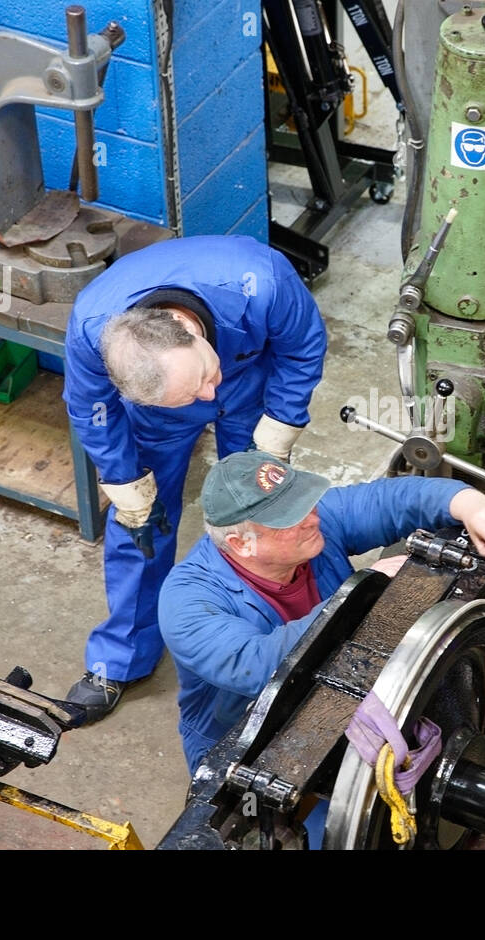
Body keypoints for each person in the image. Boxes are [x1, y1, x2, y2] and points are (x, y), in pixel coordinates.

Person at [62, 236, 328, 721]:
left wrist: (281, 422)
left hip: (249, 381)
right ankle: (120, 658)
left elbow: (303, 345)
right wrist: (126, 483)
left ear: (189, 330)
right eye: (194, 394)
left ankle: (267, 639)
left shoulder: (261, 283)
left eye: (203, 375)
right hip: (160, 417)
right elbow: (91, 408)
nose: (208, 394)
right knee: (141, 525)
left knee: (260, 516)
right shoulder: (92, 330)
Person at [157, 449, 485, 772]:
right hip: (248, 741)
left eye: (305, 502)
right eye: (290, 518)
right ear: (242, 544)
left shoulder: (313, 521)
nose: (312, 518)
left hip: (340, 693)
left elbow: (385, 501)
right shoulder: (187, 603)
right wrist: (360, 590)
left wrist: (467, 502)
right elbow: (265, 666)